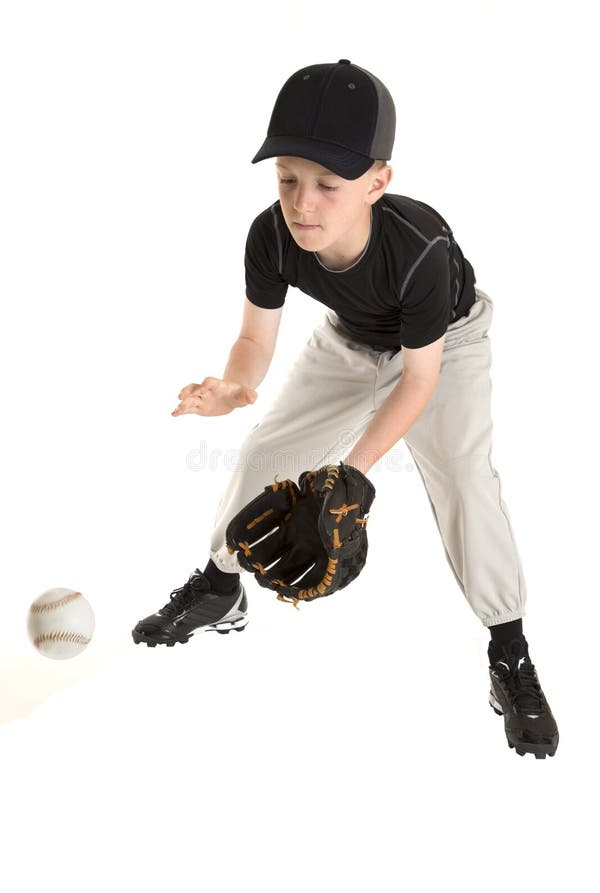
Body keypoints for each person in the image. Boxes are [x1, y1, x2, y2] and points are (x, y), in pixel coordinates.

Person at [131, 60, 558, 759]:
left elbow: (419, 381)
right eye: (288, 178)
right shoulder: (270, 235)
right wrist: (235, 386)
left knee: (461, 476)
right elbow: (253, 338)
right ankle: (219, 588)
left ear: (377, 182)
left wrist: (350, 478)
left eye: (329, 184)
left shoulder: (419, 247)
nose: (304, 203)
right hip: (353, 338)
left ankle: (509, 654)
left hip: (446, 342)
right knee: (265, 453)